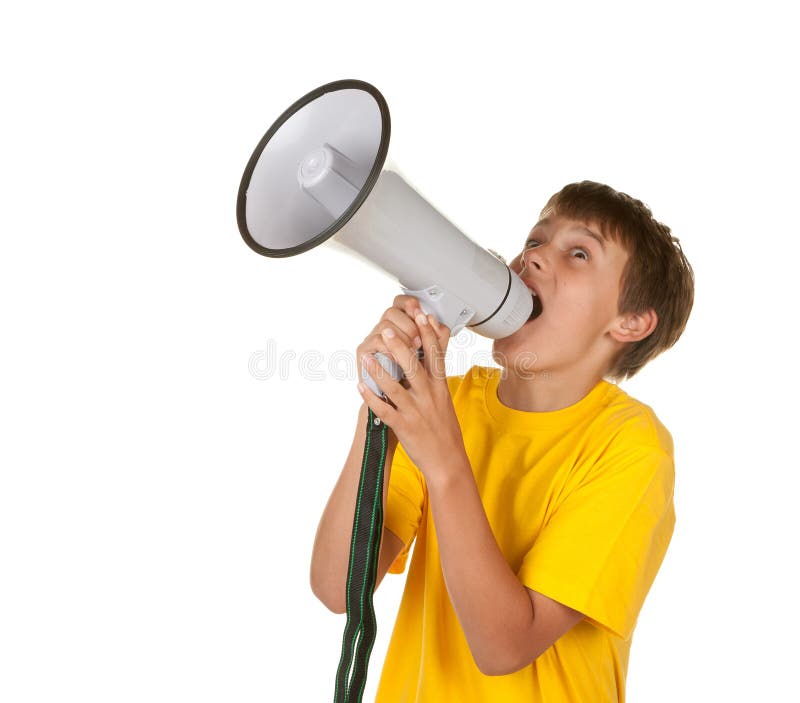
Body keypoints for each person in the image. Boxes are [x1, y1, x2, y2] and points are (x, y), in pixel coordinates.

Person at [310, 180, 694, 702]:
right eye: (535, 240)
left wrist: (444, 462)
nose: (532, 258)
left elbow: (504, 647)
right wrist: (379, 404)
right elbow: (338, 587)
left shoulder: (630, 446)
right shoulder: (449, 405)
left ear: (630, 322)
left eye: (578, 253)